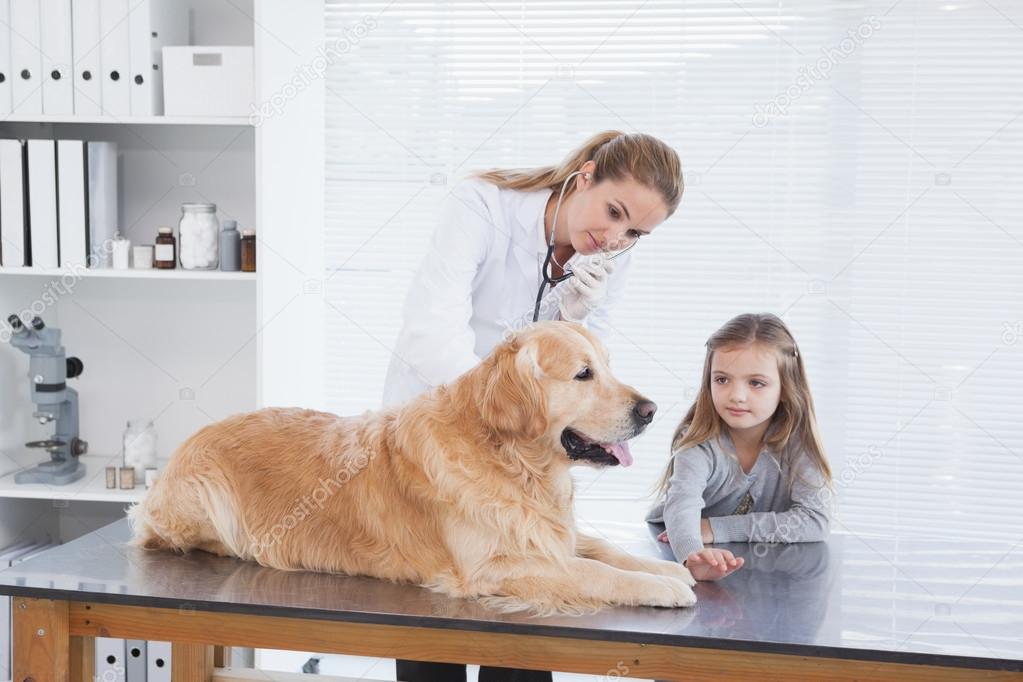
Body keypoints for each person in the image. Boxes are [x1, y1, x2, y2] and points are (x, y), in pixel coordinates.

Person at [384, 130, 685, 682]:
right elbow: (430, 334)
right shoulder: (480, 204)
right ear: (586, 175)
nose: (613, 238)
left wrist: (576, 318)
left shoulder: (609, 258)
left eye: (635, 232)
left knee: (530, 613)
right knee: (437, 615)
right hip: (438, 436)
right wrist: (514, 404)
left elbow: (589, 369)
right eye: (613, 211)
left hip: (528, 452)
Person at [647, 313, 833, 582]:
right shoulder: (699, 442)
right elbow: (681, 507)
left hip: (761, 570)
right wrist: (692, 557)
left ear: (785, 387)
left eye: (756, 383)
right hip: (687, 550)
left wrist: (716, 527)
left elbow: (815, 521)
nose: (736, 395)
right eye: (722, 379)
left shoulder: (797, 442)